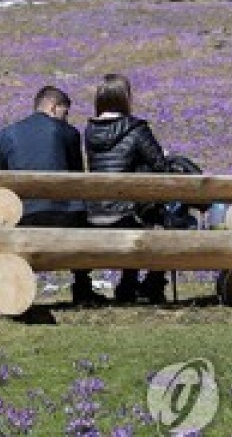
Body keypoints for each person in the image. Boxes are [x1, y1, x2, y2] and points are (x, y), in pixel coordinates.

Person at [0, 86, 108, 306]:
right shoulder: (68, 133)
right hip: (66, 216)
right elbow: (77, 179)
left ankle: (14, 291)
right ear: (54, 107)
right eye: (65, 113)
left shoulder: (5, 135)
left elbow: (1, 182)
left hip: (22, 217)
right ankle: (82, 286)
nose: (66, 119)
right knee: (81, 215)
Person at [83, 73, 172, 304]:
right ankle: (151, 283)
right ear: (125, 98)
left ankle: (129, 283)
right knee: (159, 216)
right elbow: (161, 167)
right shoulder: (136, 128)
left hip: (94, 213)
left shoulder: (90, 131)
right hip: (127, 214)